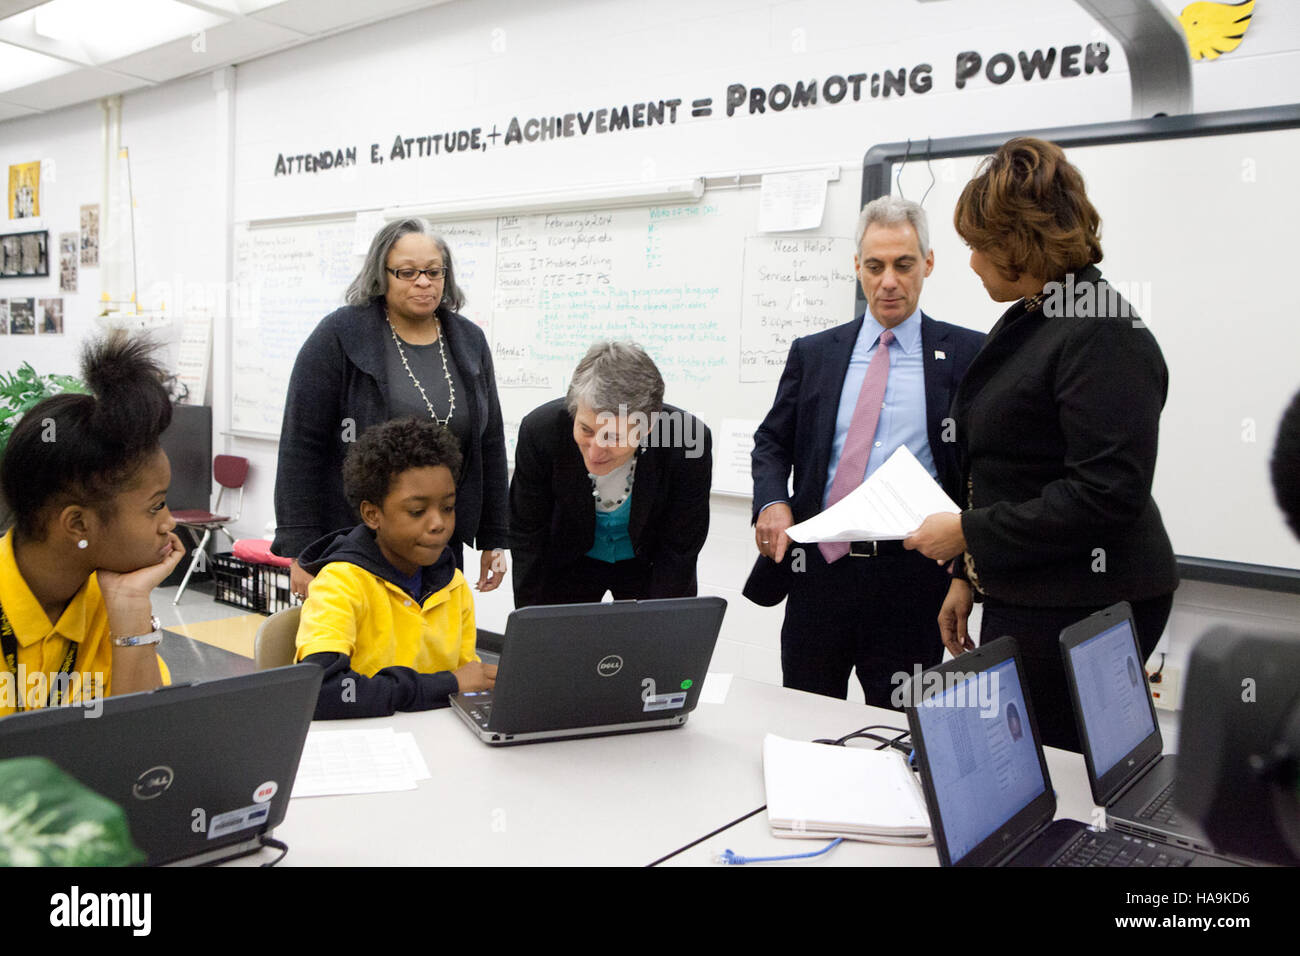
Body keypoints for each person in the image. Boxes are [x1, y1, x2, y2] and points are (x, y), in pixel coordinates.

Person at [905, 136, 1179, 752]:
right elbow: (1009, 468)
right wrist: (966, 577)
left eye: (979, 247)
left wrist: (969, 533)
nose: (970, 263)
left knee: (1049, 768)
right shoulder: (1040, 314)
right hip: (1032, 586)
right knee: (1023, 765)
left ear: (1022, 243)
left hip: (1085, 599)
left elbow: (1106, 495)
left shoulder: (1102, 333)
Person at [747, 197, 984, 707]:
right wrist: (771, 502)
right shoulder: (815, 353)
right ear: (857, 267)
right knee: (806, 723)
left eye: (903, 265)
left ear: (928, 263)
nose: (888, 281)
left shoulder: (968, 355)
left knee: (900, 735)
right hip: (819, 577)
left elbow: (981, 470)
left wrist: (966, 571)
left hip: (913, 581)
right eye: (874, 267)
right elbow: (771, 442)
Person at [272, 218, 509, 600]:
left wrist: (494, 538)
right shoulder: (339, 335)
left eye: (433, 271)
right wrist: (300, 548)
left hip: (438, 540)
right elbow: (301, 444)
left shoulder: (468, 340)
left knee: (434, 648)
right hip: (356, 540)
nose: (423, 282)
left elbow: (490, 440)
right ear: (381, 274)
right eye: (407, 272)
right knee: (365, 653)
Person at [0, 332, 185, 717]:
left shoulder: (109, 600)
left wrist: (131, 606)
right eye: (156, 506)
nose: (170, 523)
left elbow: (145, 752)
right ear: (78, 524)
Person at [294, 417, 496, 719]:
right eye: (417, 511)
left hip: (433, 739)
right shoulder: (341, 583)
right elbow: (322, 691)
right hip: (363, 741)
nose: (438, 524)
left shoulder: (452, 584)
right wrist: (447, 684)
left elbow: (465, 678)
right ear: (373, 514)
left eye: (448, 507)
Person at [509, 341, 712, 608]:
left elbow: (680, 547)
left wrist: (660, 626)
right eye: (586, 430)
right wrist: (532, 619)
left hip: (650, 563)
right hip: (566, 558)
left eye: (613, 437)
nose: (594, 452)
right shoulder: (541, 431)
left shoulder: (686, 442)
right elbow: (527, 534)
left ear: (647, 426)